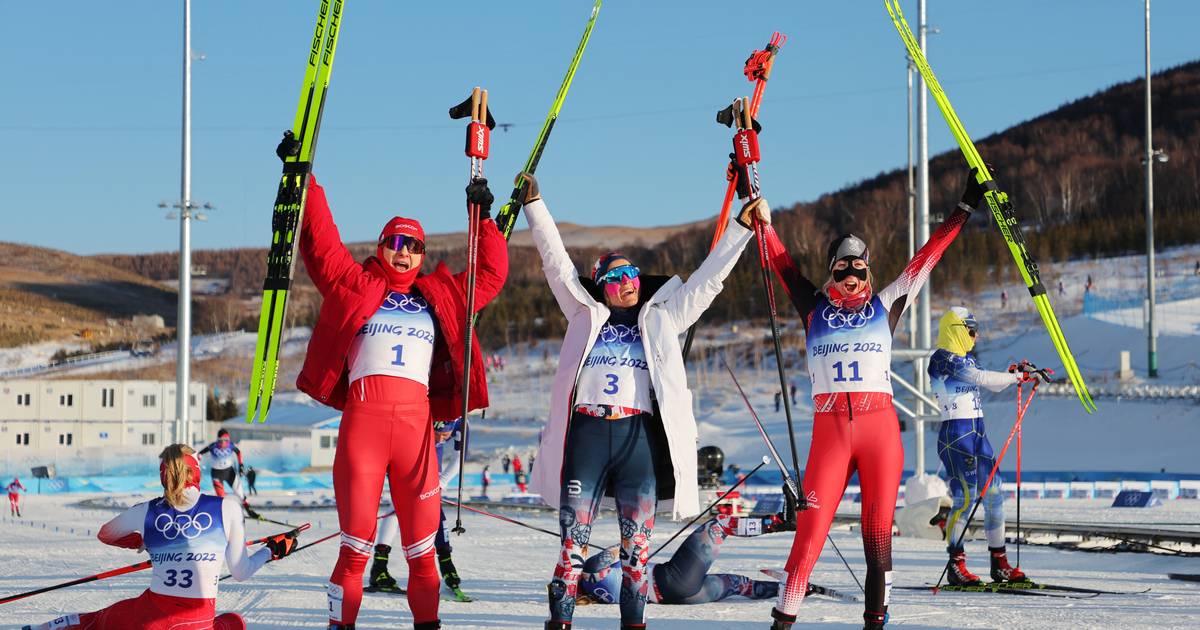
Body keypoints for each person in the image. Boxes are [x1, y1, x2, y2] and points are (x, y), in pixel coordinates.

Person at [281, 129, 508, 630]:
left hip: (416, 429)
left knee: (423, 554)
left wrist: (483, 218)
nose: (403, 252)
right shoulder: (356, 284)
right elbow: (321, 245)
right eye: (394, 242)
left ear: (423, 254)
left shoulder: (442, 295)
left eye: (414, 245)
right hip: (364, 424)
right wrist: (304, 180)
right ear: (380, 247)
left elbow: (490, 275)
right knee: (356, 550)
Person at [518, 171, 764, 630]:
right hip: (589, 435)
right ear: (601, 285)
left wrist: (741, 230)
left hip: (639, 444)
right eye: (614, 277)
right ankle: (560, 623)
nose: (627, 281)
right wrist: (535, 206)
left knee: (637, 554)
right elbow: (556, 264)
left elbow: (707, 283)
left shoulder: (664, 318)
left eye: (631, 272)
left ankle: (634, 624)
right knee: (572, 547)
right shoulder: (582, 312)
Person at [761, 169, 984, 630]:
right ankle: (783, 621)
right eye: (840, 269)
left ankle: (875, 622)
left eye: (857, 268)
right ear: (830, 272)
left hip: (879, 430)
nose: (849, 277)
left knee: (877, 537)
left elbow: (929, 256)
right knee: (809, 536)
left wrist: (963, 207)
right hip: (831, 435)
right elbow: (781, 263)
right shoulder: (813, 307)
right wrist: (760, 214)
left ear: (869, 268)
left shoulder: (887, 303)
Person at [21, 444, 297, 630]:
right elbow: (240, 572)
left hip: (147, 615)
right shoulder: (227, 507)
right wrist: (272, 550)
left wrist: (138, 541)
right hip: (194, 621)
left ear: (164, 475)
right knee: (234, 621)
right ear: (196, 472)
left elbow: (105, 533)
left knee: (93, 621)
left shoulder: (147, 510)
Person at [928, 307, 1051, 586]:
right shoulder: (942, 359)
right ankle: (956, 565)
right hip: (956, 437)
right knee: (967, 499)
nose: (976, 336)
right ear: (956, 330)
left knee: (995, 496)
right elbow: (981, 379)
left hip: (978, 436)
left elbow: (992, 385)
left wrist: (1016, 373)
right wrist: (1015, 377)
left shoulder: (966, 359)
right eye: (971, 331)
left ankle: (1000, 563)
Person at [577, 513, 792, 607]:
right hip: (670, 578)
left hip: (676, 597)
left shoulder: (597, 595)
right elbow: (626, 546)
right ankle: (778, 523)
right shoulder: (590, 569)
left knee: (738, 585)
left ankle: (788, 590)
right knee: (720, 525)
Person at [368, 419, 470, 600]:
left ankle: (380, 566)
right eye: (436, 435)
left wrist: (441, 483)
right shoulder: (423, 414)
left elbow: (459, 458)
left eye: (444, 436)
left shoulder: (461, 422)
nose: (440, 439)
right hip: (409, 452)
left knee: (431, 503)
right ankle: (381, 565)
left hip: (431, 459)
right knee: (397, 504)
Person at [197, 429, 257, 519]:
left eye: (226, 440)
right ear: (218, 440)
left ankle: (249, 510)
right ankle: (223, 515)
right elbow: (200, 453)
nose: (224, 443)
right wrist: (199, 458)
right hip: (217, 474)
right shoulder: (213, 446)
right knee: (221, 498)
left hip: (229, 472)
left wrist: (241, 465)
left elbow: (238, 452)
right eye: (221, 440)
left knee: (240, 494)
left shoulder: (231, 445)